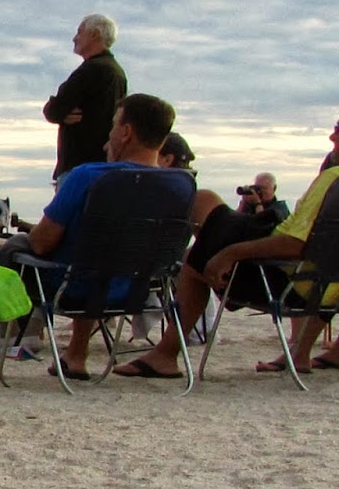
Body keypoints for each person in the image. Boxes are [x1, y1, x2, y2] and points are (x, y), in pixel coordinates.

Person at [0, 94, 190, 380]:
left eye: (115, 124)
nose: (111, 132)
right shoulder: (180, 184)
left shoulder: (89, 176)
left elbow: (41, 242)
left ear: (126, 132)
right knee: (95, 260)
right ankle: (75, 355)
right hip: (137, 291)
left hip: (70, 287)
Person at [117, 158, 339, 379]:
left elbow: (296, 244)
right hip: (323, 292)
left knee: (199, 233)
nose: (332, 138)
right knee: (205, 223)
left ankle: (165, 355)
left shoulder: (333, 178)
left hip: (284, 280)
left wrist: (230, 253)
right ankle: (303, 352)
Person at [43, 13, 126, 181]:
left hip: (80, 168)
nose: (75, 38)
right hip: (102, 165)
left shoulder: (92, 70)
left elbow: (53, 110)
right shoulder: (116, 72)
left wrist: (59, 110)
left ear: (95, 35)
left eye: (79, 32)